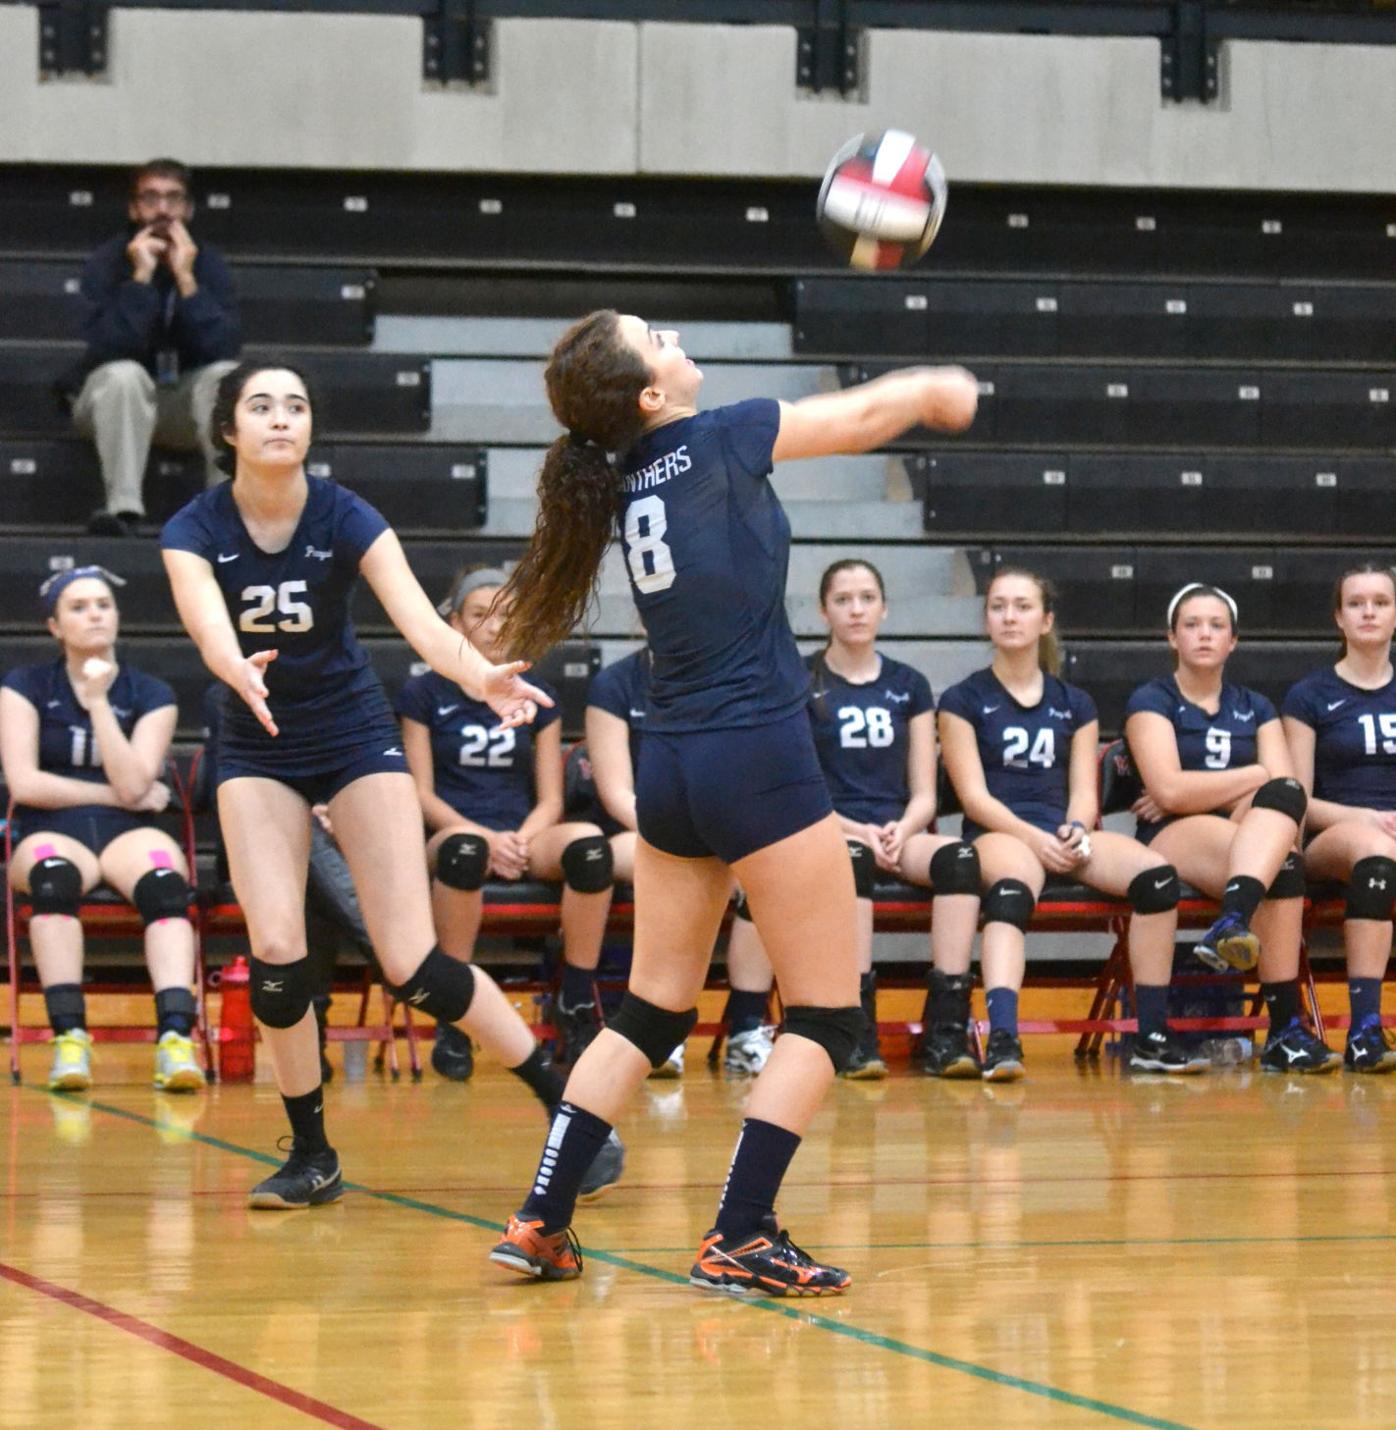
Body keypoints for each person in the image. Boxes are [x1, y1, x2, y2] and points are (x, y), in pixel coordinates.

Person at [484, 309, 977, 1294]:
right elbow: (854, 417)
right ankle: (741, 1230)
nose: (672, 332)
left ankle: (542, 1213)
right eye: (654, 335)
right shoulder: (719, 432)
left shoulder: (616, 476)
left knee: (651, 1008)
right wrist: (932, 391)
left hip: (670, 761)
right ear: (651, 397)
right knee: (831, 1018)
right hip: (754, 751)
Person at [160, 358, 622, 1209]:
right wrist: (235, 666)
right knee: (273, 951)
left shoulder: (347, 516)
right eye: (260, 406)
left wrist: (481, 675)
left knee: (412, 961)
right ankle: (311, 1154)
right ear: (228, 431)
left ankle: (566, 1108)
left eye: (296, 406)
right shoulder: (194, 526)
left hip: (350, 735)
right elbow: (206, 625)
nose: (280, 419)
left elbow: (419, 620)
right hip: (256, 743)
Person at [939, 568, 1203, 1080]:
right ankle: (1003, 1039)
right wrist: (1037, 839)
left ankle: (1150, 1033)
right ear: (986, 619)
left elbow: (1084, 792)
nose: (1010, 616)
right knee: (1013, 892)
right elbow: (974, 799)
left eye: (1022, 606)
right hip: (1002, 834)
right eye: (998, 606)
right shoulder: (962, 700)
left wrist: (1078, 829)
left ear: (1045, 620)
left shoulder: (1073, 703)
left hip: (1061, 835)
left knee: (1158, 879)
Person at [398, 565, 614, 1076]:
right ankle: (454, 1013)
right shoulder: (424, 695)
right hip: (452, 832)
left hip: (524, 835)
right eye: (481, 615)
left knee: (589, 847)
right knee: (464, 851)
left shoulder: (536, 694)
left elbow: (551, 800)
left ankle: (576, 1003)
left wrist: (520, 838)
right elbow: (420, 794)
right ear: (454, 623)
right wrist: (484, 836)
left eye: (506, 616)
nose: (496, 626)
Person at [0, 566, 205, 1093]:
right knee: (53, 879)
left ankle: (176, 1039)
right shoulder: (22, 687)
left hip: (128, 831)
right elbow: (25, 783)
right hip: (51, 826)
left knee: (166, 886)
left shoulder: (151, 692)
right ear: (53, 625)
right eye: (78, 607)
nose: (94, 614)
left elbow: (137, 786)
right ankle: (70, 1039)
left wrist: (97, 703)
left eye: (103, 605)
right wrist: (113, 793)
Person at [1125, 583, 1336, 1073]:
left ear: (1233, 641)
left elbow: (1286, 792)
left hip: (1244, 836)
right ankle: (1284, 1028)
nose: (1204, 635)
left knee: (1283, 831)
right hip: (1174, 836)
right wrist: (1252, 777)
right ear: (1172, 638)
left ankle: (1234, 925)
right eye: (1192, 625)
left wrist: (1250, 787)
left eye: (1216, 626)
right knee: (1278, 854)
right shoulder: (1151, 699)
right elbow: (1171, 793)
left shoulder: (1257, 706)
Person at [582, 645, 777, 1078]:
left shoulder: (730, 679)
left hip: (712, 829)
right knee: (687, 869)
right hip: (634, 831)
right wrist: (682, 837)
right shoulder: (615, 684)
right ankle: (661, 1030)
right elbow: (616, 793)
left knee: (761, 871)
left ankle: (746, 1031)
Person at [61, 158, 241, 537]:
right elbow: (105, 350)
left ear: (188, 209)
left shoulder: (209, 265)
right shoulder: (107, 262)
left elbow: (224, 348)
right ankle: (123, 510)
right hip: (112, 404)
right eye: (151, 198)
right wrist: (141, 279)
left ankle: (227, 515)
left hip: (180, 407)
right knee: (124, 376)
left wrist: (187, 280)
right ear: (134, 208)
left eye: (173, 199)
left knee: (226, 379)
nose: (162, 209)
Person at [1283, 563, 1396, 1072]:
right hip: (1334, 838)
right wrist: (1367, 817)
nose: (1369, 611)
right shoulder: (1310, 695)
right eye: (1356, 603)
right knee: (1375, 851)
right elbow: (1299, 799)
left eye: (1380, 601)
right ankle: (1366, 1030)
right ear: (1339, 617)